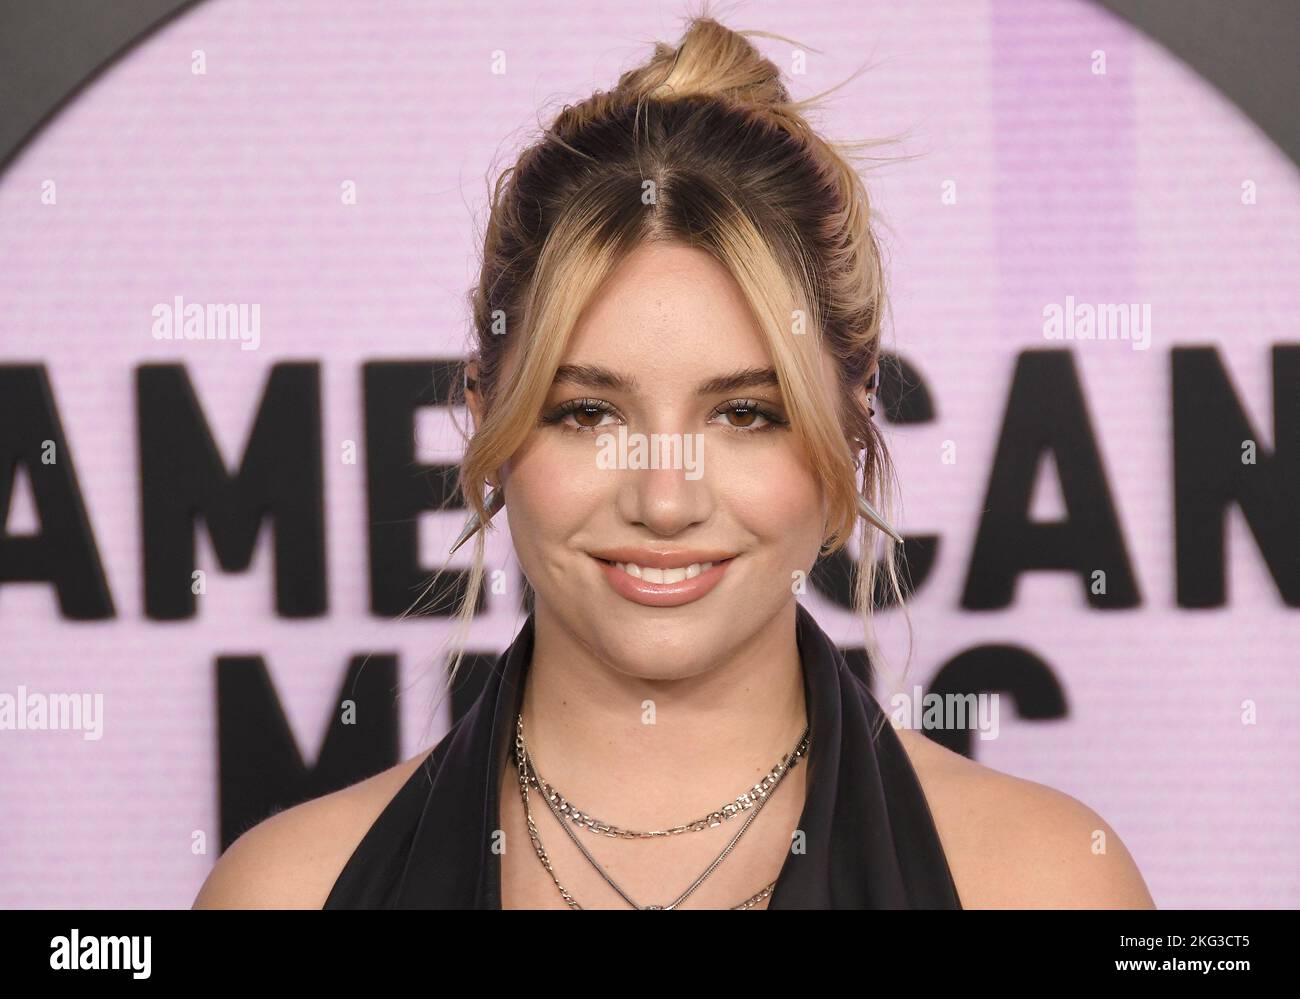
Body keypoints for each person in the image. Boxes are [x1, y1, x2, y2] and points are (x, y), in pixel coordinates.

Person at [194, 10, 1154, 910]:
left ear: (847, 444)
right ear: (488, 426)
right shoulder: (288, 892)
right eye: (587, 412)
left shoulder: (1043, 880)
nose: (664, 498)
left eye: (744, 413)